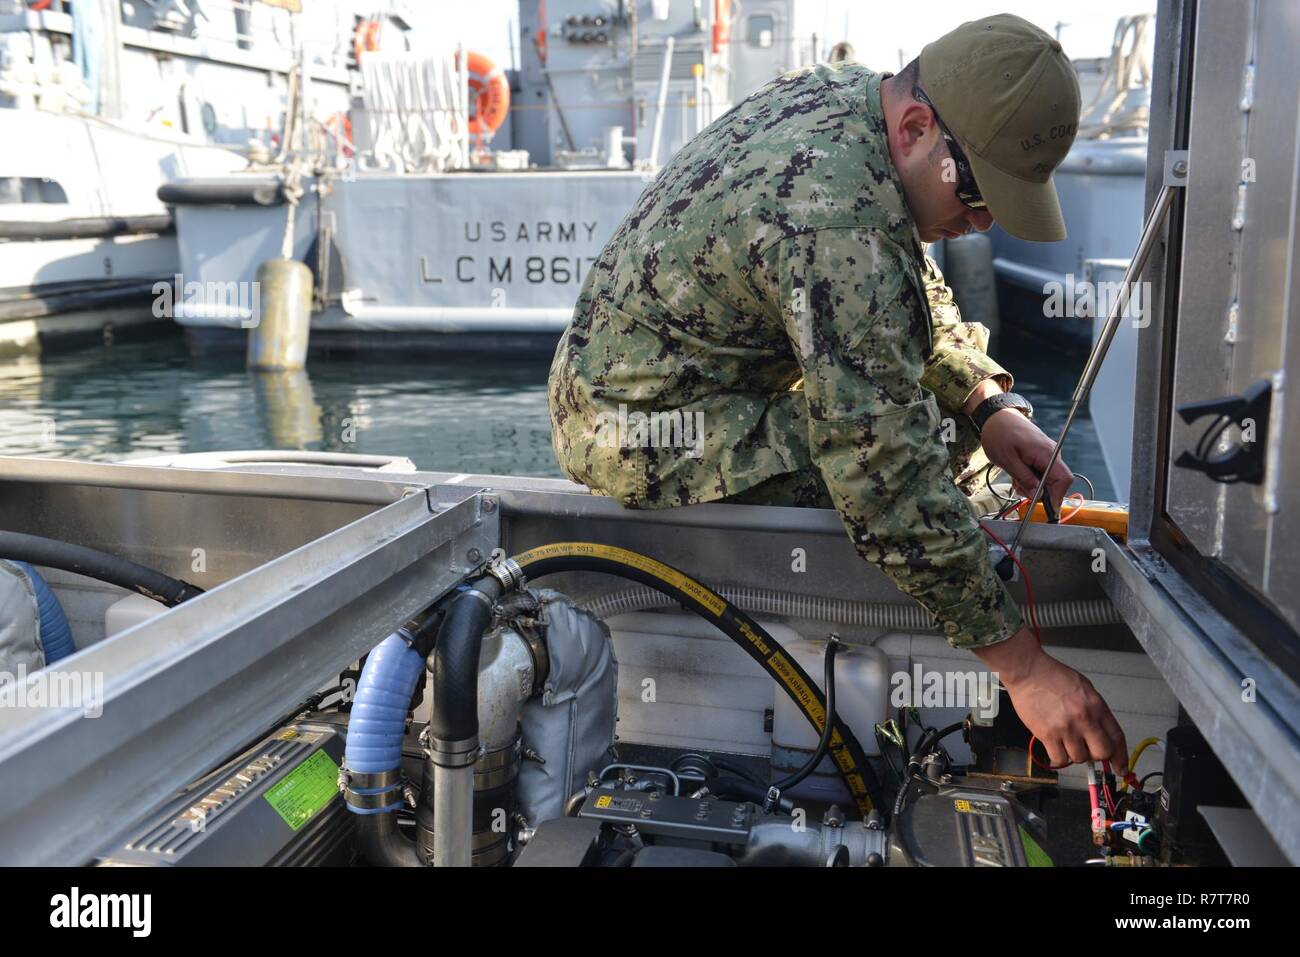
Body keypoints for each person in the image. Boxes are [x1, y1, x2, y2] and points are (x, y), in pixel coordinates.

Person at [548, 14, 1129, 775]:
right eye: (981, 197)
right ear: (917, 127)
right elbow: (881, 473)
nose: (980, 224)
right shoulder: (836, 213)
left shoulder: (856, 101)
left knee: (944, 432)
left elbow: (906, 278)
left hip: (654, 384)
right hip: (632, 425)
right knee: (913, 458)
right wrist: (1024, 669)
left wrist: (986, 402)